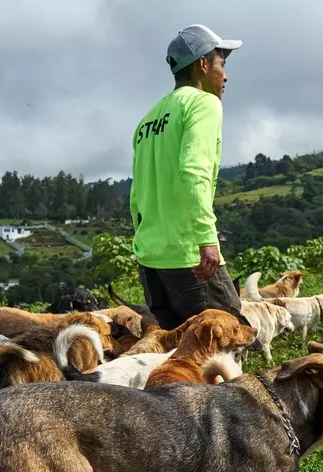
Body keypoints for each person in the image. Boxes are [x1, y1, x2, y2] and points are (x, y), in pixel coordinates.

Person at [130, 24, 244, 330]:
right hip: (190, 256)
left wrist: (142, 241)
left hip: (151, 258)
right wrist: (207, 239)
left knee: (174, 355)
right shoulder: (204, 103)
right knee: (226, 342)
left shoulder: (148, 119)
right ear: (203, 64)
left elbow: (136, 193)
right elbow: (194, 171)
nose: (225, 75)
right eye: (222, 64)